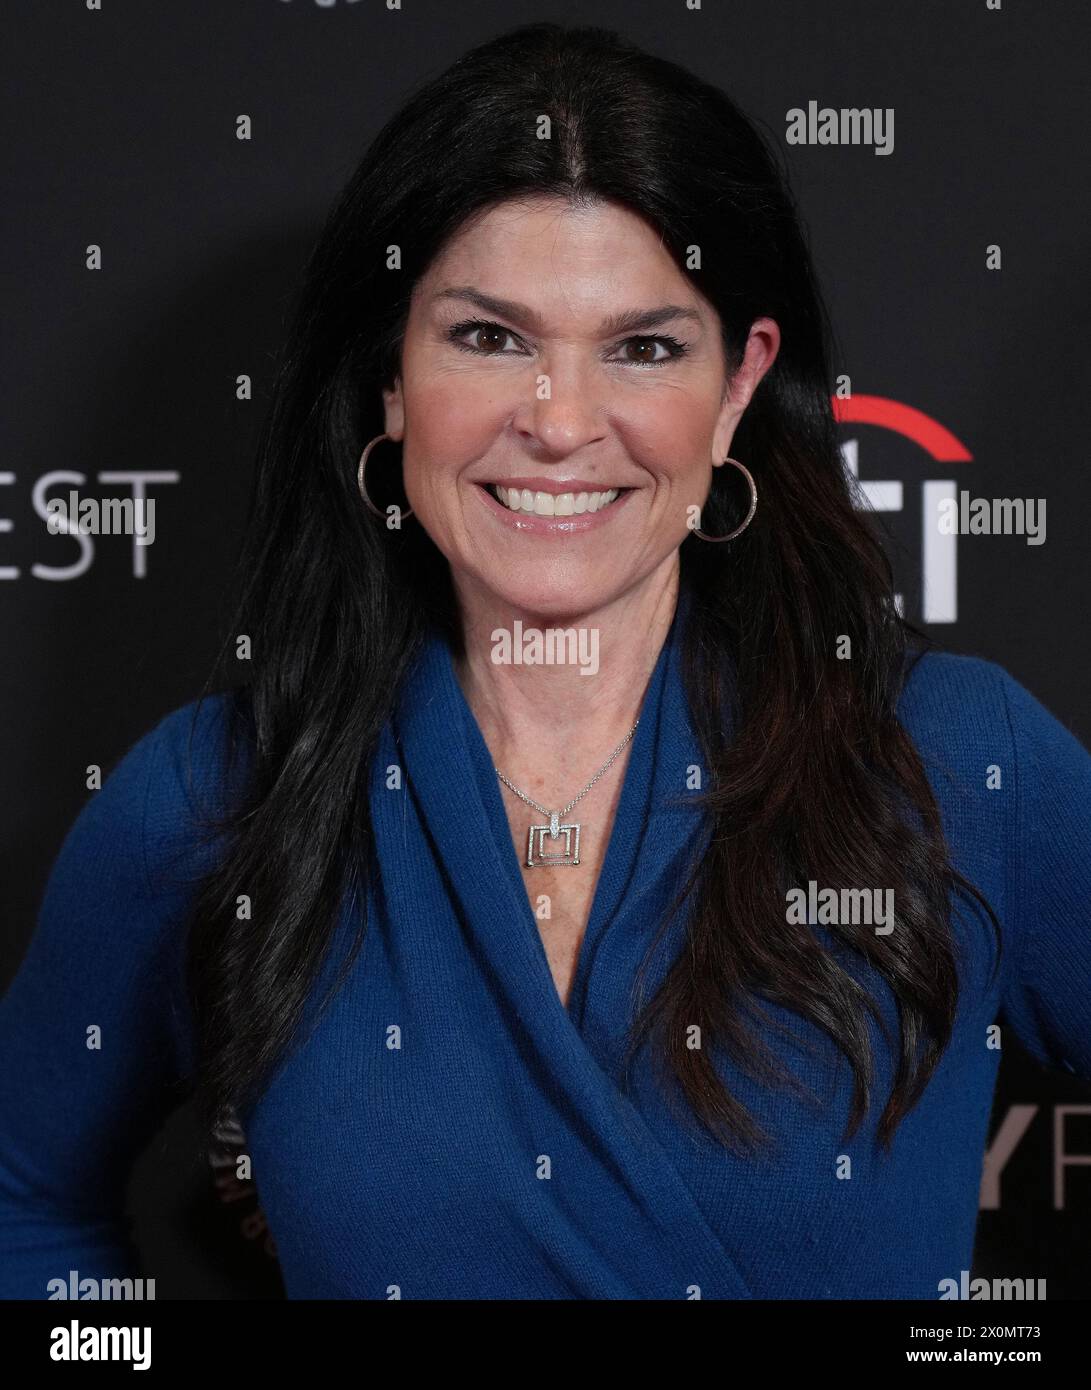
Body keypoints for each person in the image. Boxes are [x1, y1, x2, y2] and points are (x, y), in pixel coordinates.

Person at [2, 21, 1089, 1301]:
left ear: (738, 385)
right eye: (487, 337)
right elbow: (27, 1207)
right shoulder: (214, 796)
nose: (561, 423)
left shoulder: (959, 759)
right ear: (388, 377)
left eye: (643, 347)